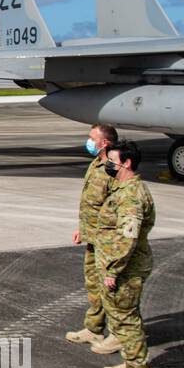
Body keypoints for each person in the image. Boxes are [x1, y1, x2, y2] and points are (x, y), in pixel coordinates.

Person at [93, 139, 156, 368]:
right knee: (124, 318)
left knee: (127, 321)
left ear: (126, 163)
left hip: (125, 270)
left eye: (113, 160)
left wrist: (113, 270)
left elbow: (127, 238)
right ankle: (131, 365)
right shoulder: (124, 189)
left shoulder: (131, 195)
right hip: (119, 267)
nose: (108, 164)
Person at [66, 123, 119, 349]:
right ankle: (94, 329)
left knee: (111, 289)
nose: (88, 141)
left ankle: (118, 336)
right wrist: (82, 228)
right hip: (92, 236)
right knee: (93, 285)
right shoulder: (96, 164)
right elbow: (91, 203)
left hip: (107, 242)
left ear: (104, 143)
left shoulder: (113, 169)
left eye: (91, 138)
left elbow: (115, 208)